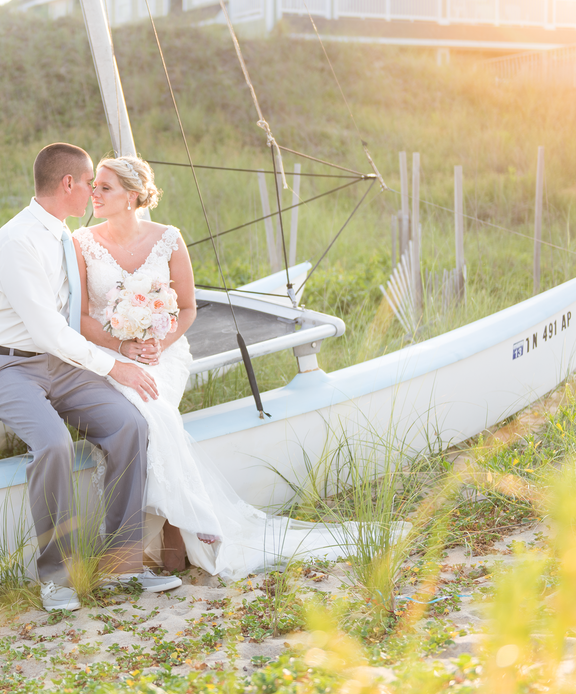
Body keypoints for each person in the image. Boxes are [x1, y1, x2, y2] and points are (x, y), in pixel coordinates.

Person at [74, 155, 389, 579]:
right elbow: (81, 318)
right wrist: (122, 345)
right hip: (111, 354)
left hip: (163, 354)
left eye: (104, 187)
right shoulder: (82, 242)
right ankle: (186, 528)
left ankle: (156, 545)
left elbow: (186, 309)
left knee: (148, 408)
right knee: (151, 415)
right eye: (94, 185)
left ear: (132, 196)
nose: (94, 192)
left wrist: (154, 343)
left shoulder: (168, 239)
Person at [0, 143, 181, 613]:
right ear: (69, 184)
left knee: (131, 425)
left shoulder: (67, 236)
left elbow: (77, 316)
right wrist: (116, 365)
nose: (92, 192)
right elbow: (48, 330)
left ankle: (120, 565)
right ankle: (58, 576)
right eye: (89, 183)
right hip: (6, 366)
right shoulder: (17, 240)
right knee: (54, 444)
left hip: (60, 365)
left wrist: (133, 334)